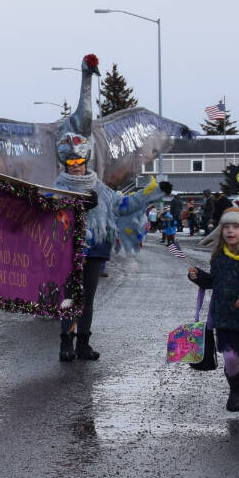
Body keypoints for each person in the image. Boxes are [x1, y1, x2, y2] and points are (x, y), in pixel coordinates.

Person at [52, 130, 157, 362]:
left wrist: (151, 193)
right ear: (65, 164)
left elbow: (124, 205)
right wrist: (75, 205)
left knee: (87, 299)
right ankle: (66, 343)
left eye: (80, 161)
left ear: (85, 161)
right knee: (70, 297)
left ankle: (84, 344)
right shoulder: (58, 189)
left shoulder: (100, 188)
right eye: (71, 162)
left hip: (96, 250)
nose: (76, 166)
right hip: (69, 251)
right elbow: (46, 213)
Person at [184, 208, 239, 421]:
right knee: (230, 357)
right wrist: (199, 277)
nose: (230, 231)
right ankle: (236, 389)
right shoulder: (219, 254)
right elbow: (215, 282)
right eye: (226, 227)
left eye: (235, 227)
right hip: (225, 315)